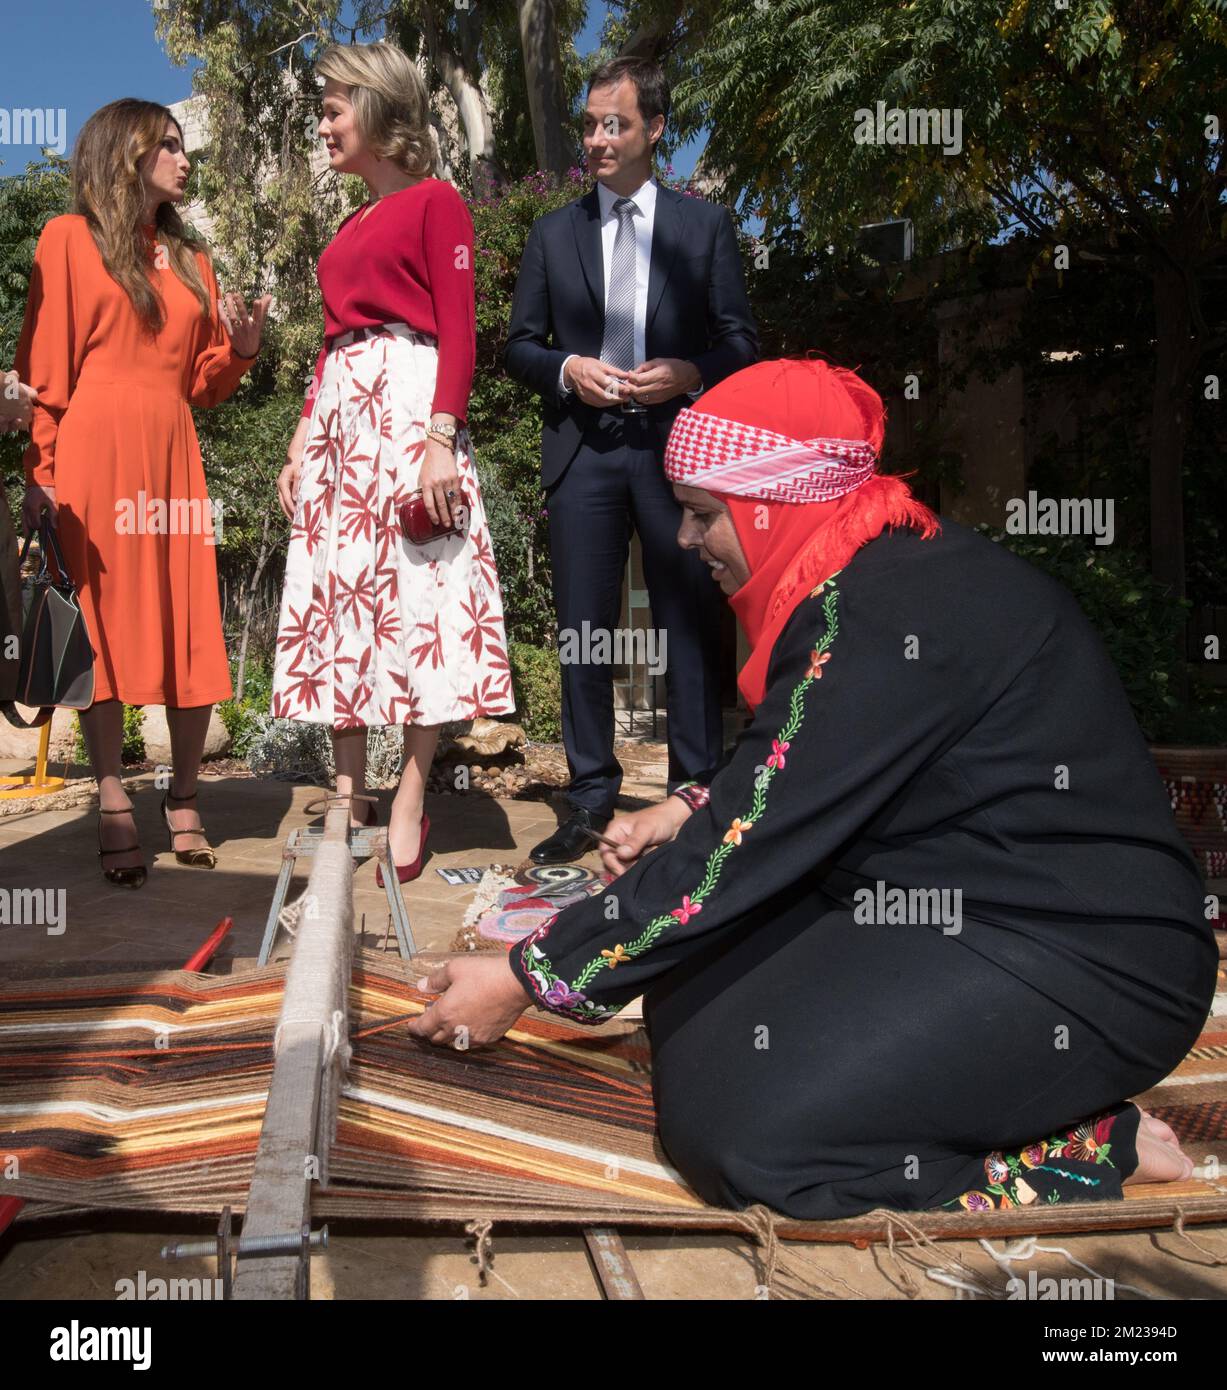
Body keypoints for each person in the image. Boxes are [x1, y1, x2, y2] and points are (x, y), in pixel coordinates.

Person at [403, 358, 1216, 1221]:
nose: (685, 540)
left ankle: (1087, 1150)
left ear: (769, 505)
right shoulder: (868, 579)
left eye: (701, 513)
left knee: (749, 1144)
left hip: (1085, 956)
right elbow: (818, 761)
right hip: (942, 900)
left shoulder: (872, 614)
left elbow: (750, 840)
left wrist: (531, 976)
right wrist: (691, 803)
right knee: (687, 1001)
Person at [505, 56, 758, 865]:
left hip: (675, 452)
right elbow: (517, 347)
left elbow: (740, 343)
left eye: (613, 123)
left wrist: (689, 373)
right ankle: (587, 797)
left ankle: (693, 794)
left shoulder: (703, 227)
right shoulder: (554, 233)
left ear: (653, 129)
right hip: (583, 452)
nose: (596, 138)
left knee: (688, 621)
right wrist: (566, 369)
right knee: (585, 628)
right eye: (588, 124)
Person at [273, 42, 513, 885]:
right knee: (340, 597)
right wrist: (304, 434)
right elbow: (330, 339)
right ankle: (347, 794)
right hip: (342, 419)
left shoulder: (435, 202)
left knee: (421, 596)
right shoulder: (347, 227)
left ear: (376, 111)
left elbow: (461, 327)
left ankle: (409, 793)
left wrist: (440, 439)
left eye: (335, 107)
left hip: (410, 415)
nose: (325, 122)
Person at [14, 100, 269, 888]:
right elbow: (43, 373)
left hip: (171, 457)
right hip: (92, 455)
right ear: (123, 153)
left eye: (182, 147)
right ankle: (115, 798)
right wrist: (41, 474)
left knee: (190, 621)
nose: (182, 160)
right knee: (103, 632)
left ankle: (185, 793)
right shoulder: (66, 239)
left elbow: (202, 384)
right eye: (166, 146)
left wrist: (244, 349)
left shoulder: (194, 261)